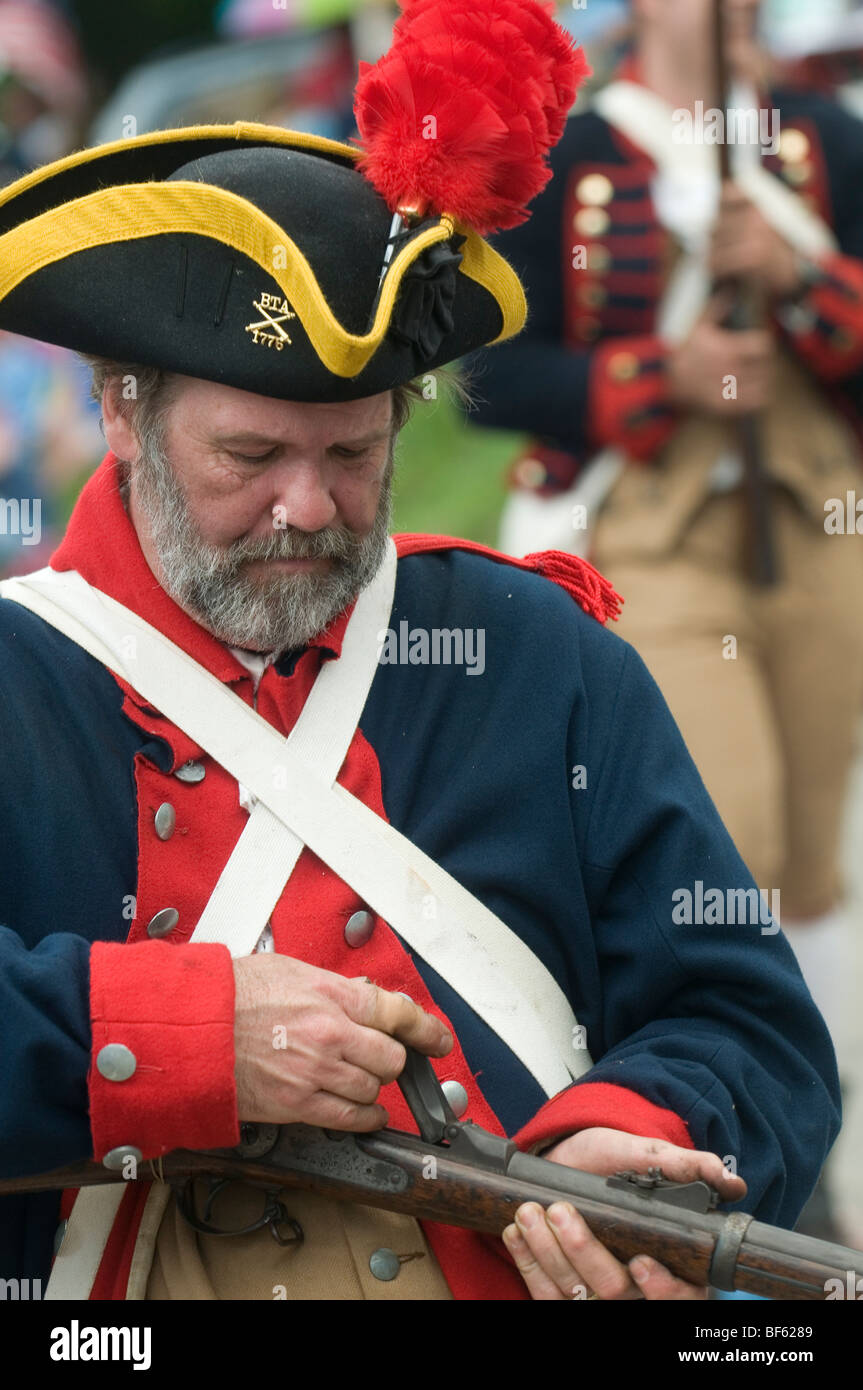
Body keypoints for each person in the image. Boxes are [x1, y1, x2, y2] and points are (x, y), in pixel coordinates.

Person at [0, 1, 842, 1302]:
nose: (308, 508)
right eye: (248, 456)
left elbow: (747, 1023)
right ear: (120, 406)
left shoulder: (534, 656)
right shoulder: (19, 672)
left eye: (353, 454)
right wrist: (179, 1036)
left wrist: (642, 1145)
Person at [468, 0, 863, 1060]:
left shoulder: (818, 139)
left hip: (818, 521)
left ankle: (821, 1125)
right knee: (737, 837)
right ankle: (732, 1076)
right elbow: (494, 358)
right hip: (653, 532)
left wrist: (799, 277)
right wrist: (656, 374)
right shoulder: (579, 154)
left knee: (820, 852)